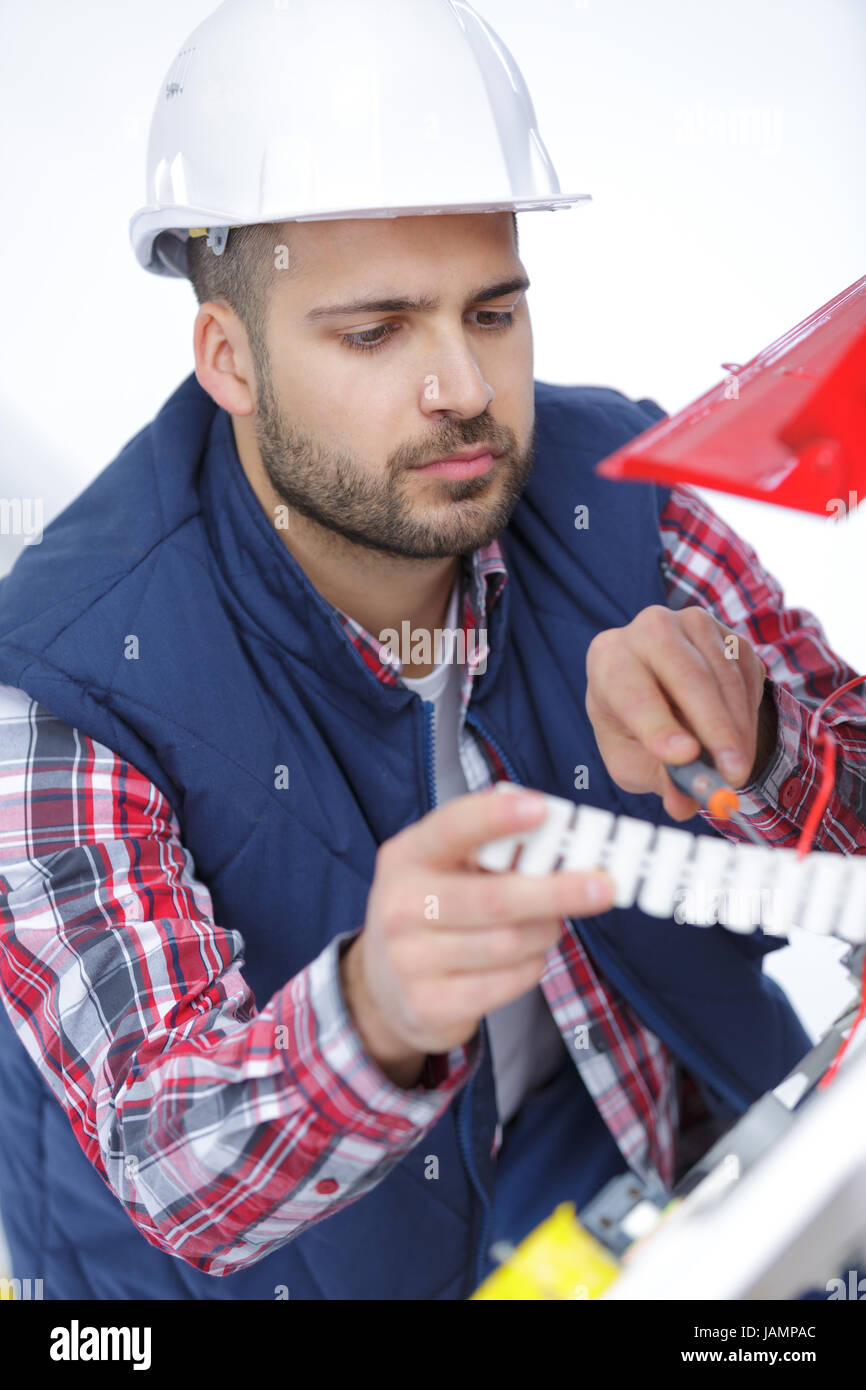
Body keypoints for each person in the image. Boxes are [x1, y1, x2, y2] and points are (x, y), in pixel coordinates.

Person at [0, 0, 864, 1301]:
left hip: (633, 1181)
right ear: (227, 356)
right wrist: (379, 1009)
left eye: (493, 312)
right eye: (375, 331)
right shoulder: (58, 681)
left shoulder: (619, 498)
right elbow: (170, 1155)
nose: (460, 386)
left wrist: (760, 746)